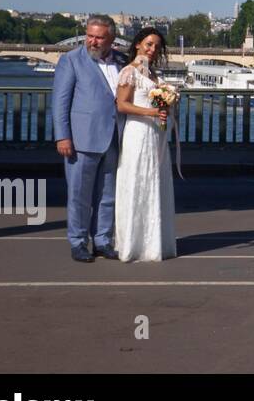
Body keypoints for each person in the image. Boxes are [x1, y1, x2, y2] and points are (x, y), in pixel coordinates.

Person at [52, 15, 126, 262]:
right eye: (90, 36)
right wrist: (62, 136)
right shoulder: (71, 60)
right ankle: (78, 242)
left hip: (114, 138)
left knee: (107, 196)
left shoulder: (122, 62)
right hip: (81, 140)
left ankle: (103, 240)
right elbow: (60, 103)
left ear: (112, 39)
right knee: (79, 196)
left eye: (99, 37)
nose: (93, 41)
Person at [113, 27, 178, 262]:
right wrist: (152, 111)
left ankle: (153, 242)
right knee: (138, 181)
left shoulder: (152, 75)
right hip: (138, 134)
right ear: (138, 44)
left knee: (154, 183)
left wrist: (165, 109)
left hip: (155, 136)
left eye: (157, 47)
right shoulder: (129, 72)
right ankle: (133, 243)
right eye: (149, 44)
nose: (152, 50)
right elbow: (121, 104)